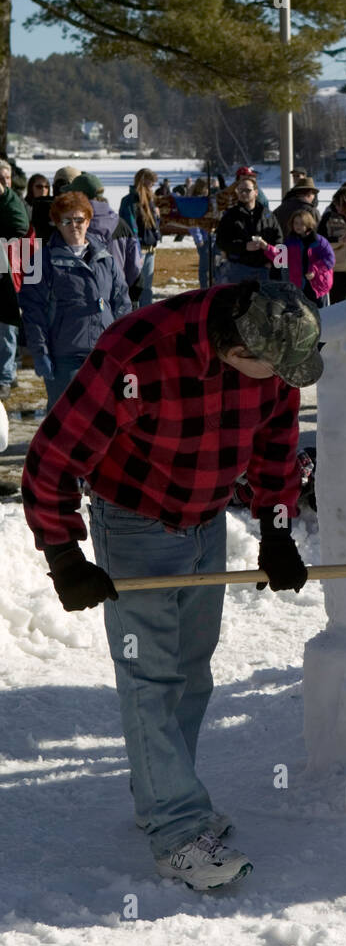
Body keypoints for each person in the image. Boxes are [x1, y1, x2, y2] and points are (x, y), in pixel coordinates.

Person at [22, 279, 322, 891]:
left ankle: (163, 793)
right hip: (134, 521)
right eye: (271, 370)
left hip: (206, 517)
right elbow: (52, 457)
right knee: (150, 674)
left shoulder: (275, 364)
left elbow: (276, 449)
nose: (281, 383)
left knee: (191, 667)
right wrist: (62, 555)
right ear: (235, 346)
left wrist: (277, 529)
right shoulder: (139, 352)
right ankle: (177, 829)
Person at [17, 191, 131, 408]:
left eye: (79, 219)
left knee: (103, 415)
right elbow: (33, 311)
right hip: (64, 357)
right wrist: (40, 352)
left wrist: (122, 344)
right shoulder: (43, 260)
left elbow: (122, 302)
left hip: (103, 352)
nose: (74, 225)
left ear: (88, 221)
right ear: (57, 224)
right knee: (66, 417)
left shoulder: (105, 259)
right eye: (66, 220)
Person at [71, 173, 140, 304]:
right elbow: (135, 267)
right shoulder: (121, 224)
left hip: (78, 298)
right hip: (116, 296)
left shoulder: (69, 225)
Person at [253, 208, 334, 307]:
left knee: (323, 314)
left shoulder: (320, 241)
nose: (298, 226)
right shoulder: (290, 241)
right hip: (299, 286)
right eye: (296, 223)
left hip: (318, 286)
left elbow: (329, 260)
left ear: (308, 224)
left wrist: (314, 270)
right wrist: (266, 247)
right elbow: (281, 257)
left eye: (302, 223)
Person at [0, 159, 30, 399]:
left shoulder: (15, 202)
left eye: (5, 179)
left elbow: (22, 228)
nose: (2, 183)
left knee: (6, 329)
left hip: (10, 271)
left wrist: (4, 193)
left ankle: (6, 377)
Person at [215, 174, 281, 282]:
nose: (244, 193)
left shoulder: (268, 215)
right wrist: (244, 246)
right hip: (238, 269)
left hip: (264, 270)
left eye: (247, 190)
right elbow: (221, 242)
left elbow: (279, 240)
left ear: (256, 192)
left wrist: (271, 259)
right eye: (240, 190)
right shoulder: (230, 216)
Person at [119, 169, 161, 307]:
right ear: (142, 182)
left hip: (150, 249)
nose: (152, 187)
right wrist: (135, 250)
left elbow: (153, 226)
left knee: (147, 288)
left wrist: (157, 220)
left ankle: (148, 315)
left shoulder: (150, 201)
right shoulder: (129, 202)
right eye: (150, 183)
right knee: (137, 287)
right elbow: (130, 229)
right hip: (138, 250)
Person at [319, 182, 346, 303]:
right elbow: (319, 239)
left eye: (341, 205)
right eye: (336, 204)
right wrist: (339, 240)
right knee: (339, 303)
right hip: (337, 268)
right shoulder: (328, 217)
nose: (337, 208)